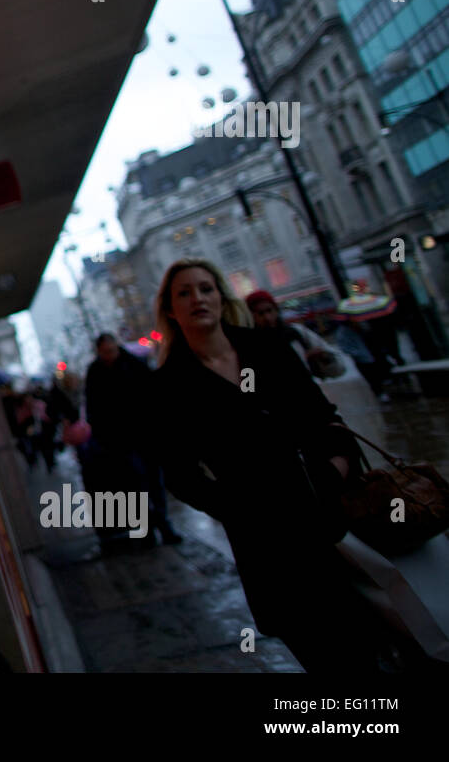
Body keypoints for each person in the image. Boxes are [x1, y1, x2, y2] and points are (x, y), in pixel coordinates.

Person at [151, 258, 390, 672]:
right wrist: (235, 507)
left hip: (326, 512)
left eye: (206, 289)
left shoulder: (266, 347)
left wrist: (335, 469)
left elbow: (323, 416)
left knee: (369, 640)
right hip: (264, 542)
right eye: (184, 293)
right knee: (318, 651)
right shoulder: (171, 383)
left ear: (221, 298)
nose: (197, 299)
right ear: (171, 310)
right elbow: (180, 475)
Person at [246, 290, 386, 448]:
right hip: (282, 424)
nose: (267, 318)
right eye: (260, 313)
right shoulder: (247, 348)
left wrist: (323, 358)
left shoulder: (296, 334)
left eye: (270, 311)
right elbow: (248, 390)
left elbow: (337, 369)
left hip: (316, 413)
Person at [85, 333, 182, 545]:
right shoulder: (95, 372)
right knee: (133, 485)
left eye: (111, 350)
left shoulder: (133, 364)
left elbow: (152, 394)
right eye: (105, 352)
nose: (109, 355)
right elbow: (93, 406)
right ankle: (147, 528)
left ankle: (163, 524)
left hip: (144, 435)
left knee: (153, 482)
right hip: (118, 441)